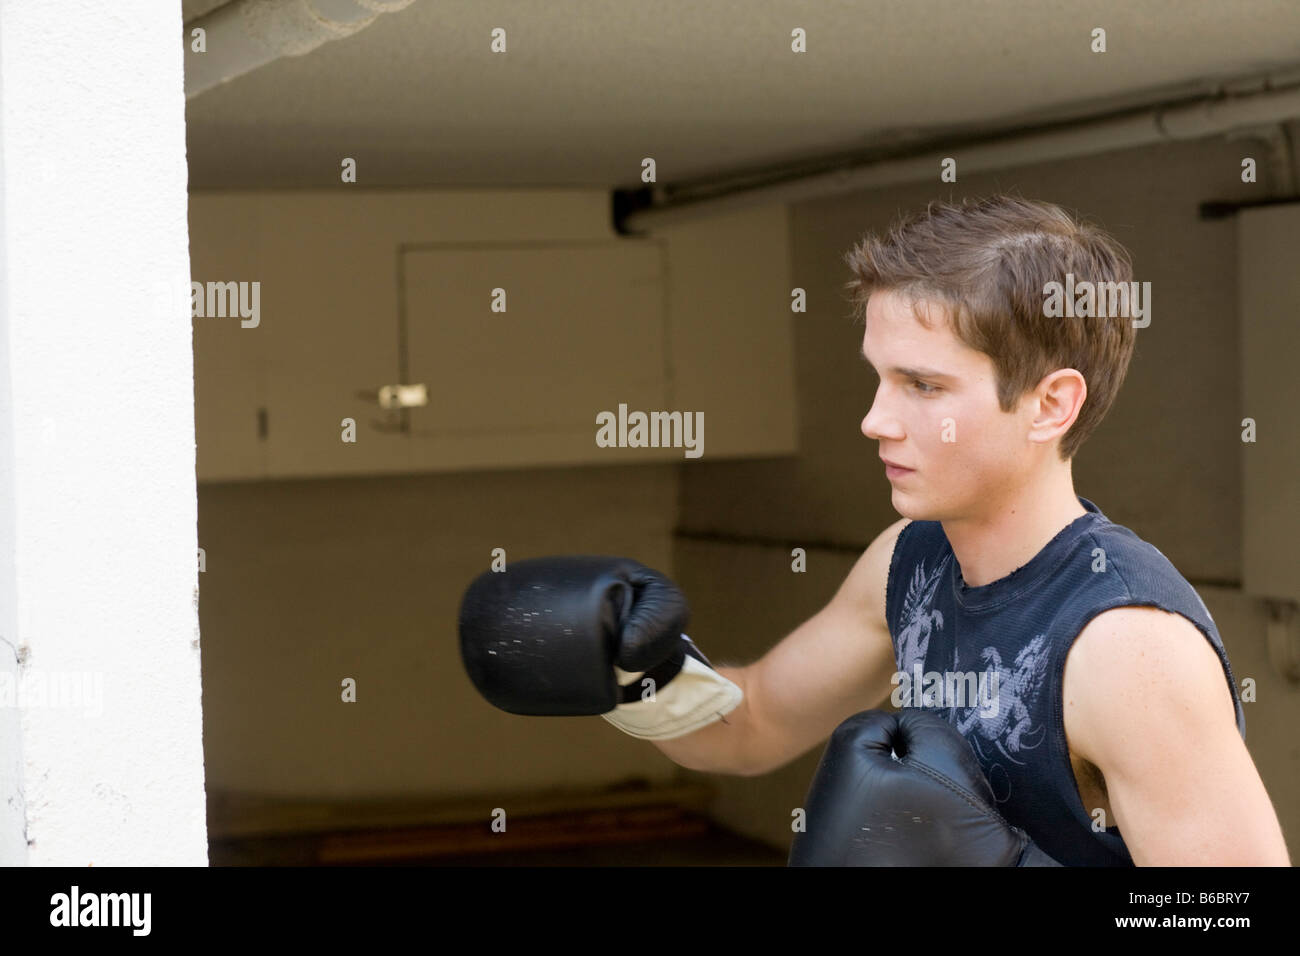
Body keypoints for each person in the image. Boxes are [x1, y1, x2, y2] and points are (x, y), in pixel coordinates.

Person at [459, 195, 1291, 866]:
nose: (873, 420)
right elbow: (750, 726)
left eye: (923, 386)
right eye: (879, 379)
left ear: (1050, 404)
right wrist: (633, 674)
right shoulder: (909, 562)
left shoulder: (1127, 646)